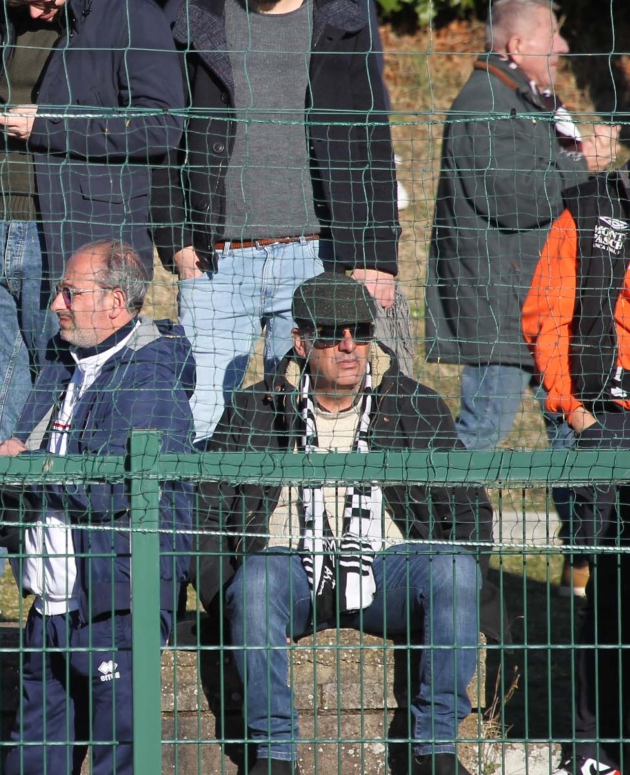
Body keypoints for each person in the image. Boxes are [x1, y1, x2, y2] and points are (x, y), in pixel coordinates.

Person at [0, 0, 184, 621]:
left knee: (59, 407)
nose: (37, 8)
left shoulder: (130, 15)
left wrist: (50, 129)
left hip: (74, 239)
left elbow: (165, 125)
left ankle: (59, 581)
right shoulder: (2, 12)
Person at [199, 272, 488, 775]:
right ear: (300, 341)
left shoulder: (414, 402)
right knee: (256, 583)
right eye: (332, 334)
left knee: (454, 567)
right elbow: (207, 515)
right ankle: (273, 755)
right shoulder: (254, 407)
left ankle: (436, 750)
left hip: (389, 567)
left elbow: (470, 509)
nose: (350, 346)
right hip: (289, 567)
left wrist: (459, 585)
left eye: (361, 330)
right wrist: (228, 602)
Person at [169, 0, 403, 444]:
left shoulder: (342, 23)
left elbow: (371, 143)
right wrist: (175, 237)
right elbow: (169, 137)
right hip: (217, 260)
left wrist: (378, 257)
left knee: (300, 420)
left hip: (314, 257)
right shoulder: (195, 20)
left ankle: (291, 509)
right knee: (201, 414)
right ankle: (199, 509)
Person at [426, 0, 619, 596]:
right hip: (499, 309)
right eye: (551, 35)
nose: (563, 46)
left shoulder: (529, 102)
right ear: (515, 45)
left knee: (570, 432)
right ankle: (435, 548)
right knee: (481, 430)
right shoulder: (484, 102)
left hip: (546, 309)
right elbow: (512, 196)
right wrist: (584, 162)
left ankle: (582, 564)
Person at [0, 240, 195, 775]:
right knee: (32, 759)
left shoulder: (150, 375)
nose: (56, 303)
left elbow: (116, 488)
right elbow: (25, 466)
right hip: (51, 602)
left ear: (115, 302)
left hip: (119, 603)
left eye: (70, 293)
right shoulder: (65, 362)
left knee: (119, 758)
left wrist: (29, 467)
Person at [522, 159, 630, 775]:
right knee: (608, 593)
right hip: (607, 419)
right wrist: (579, 413)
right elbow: (548, 316)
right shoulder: (588, 212)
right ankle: (594, 751)